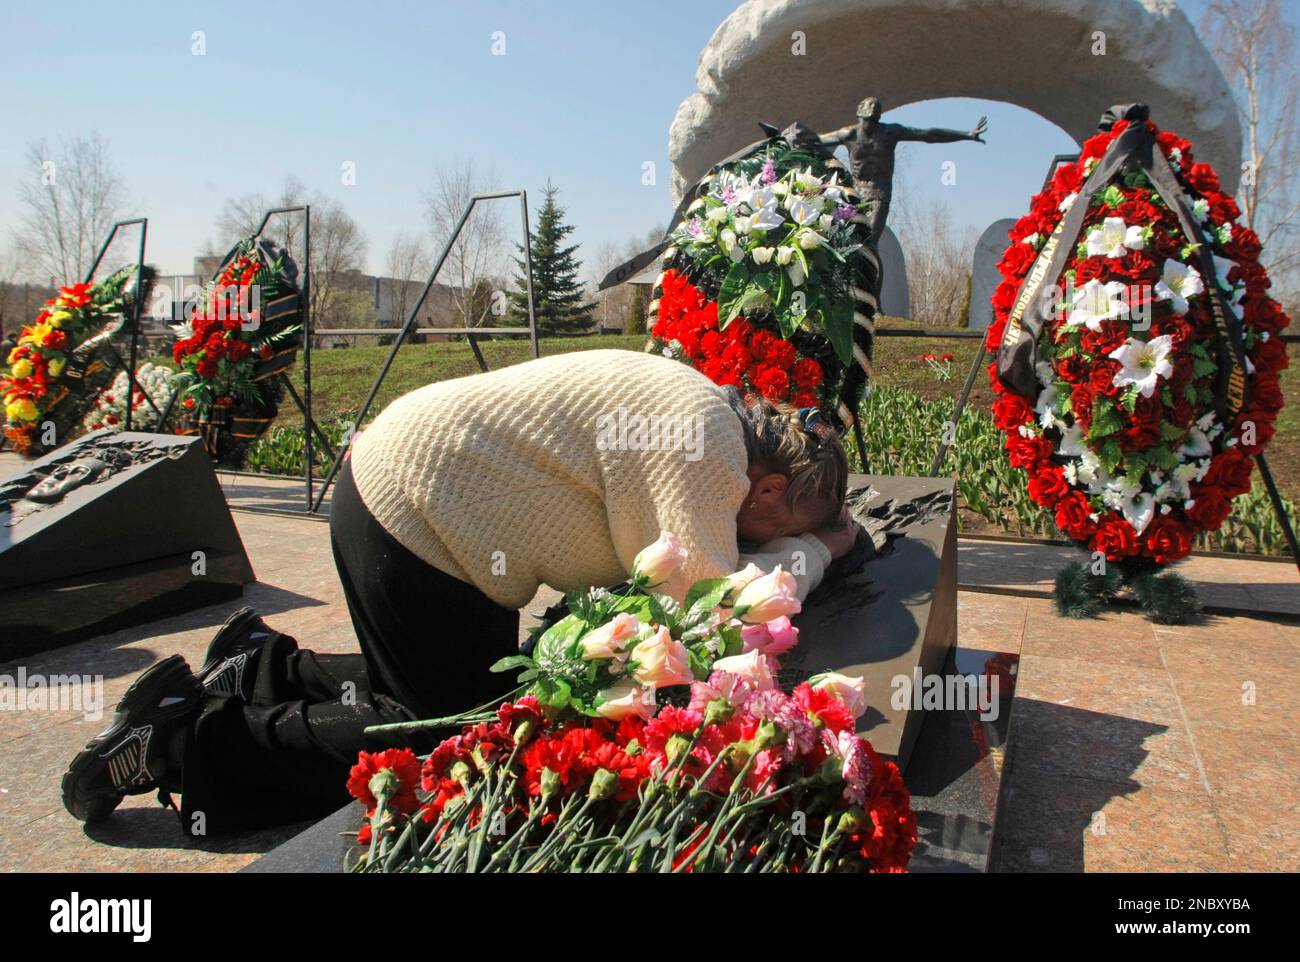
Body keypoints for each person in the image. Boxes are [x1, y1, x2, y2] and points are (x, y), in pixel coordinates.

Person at [62, 349, 860, 833]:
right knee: (448, 737)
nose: (763, 541)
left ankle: (257, 669)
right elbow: (709, 621)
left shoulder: (700, 407)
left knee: (445, 683)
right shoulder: (708, 448)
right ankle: (185, 744)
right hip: (420, 520)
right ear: (768, 490)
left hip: (408, 500)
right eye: (778, 526)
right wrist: (818, 553)